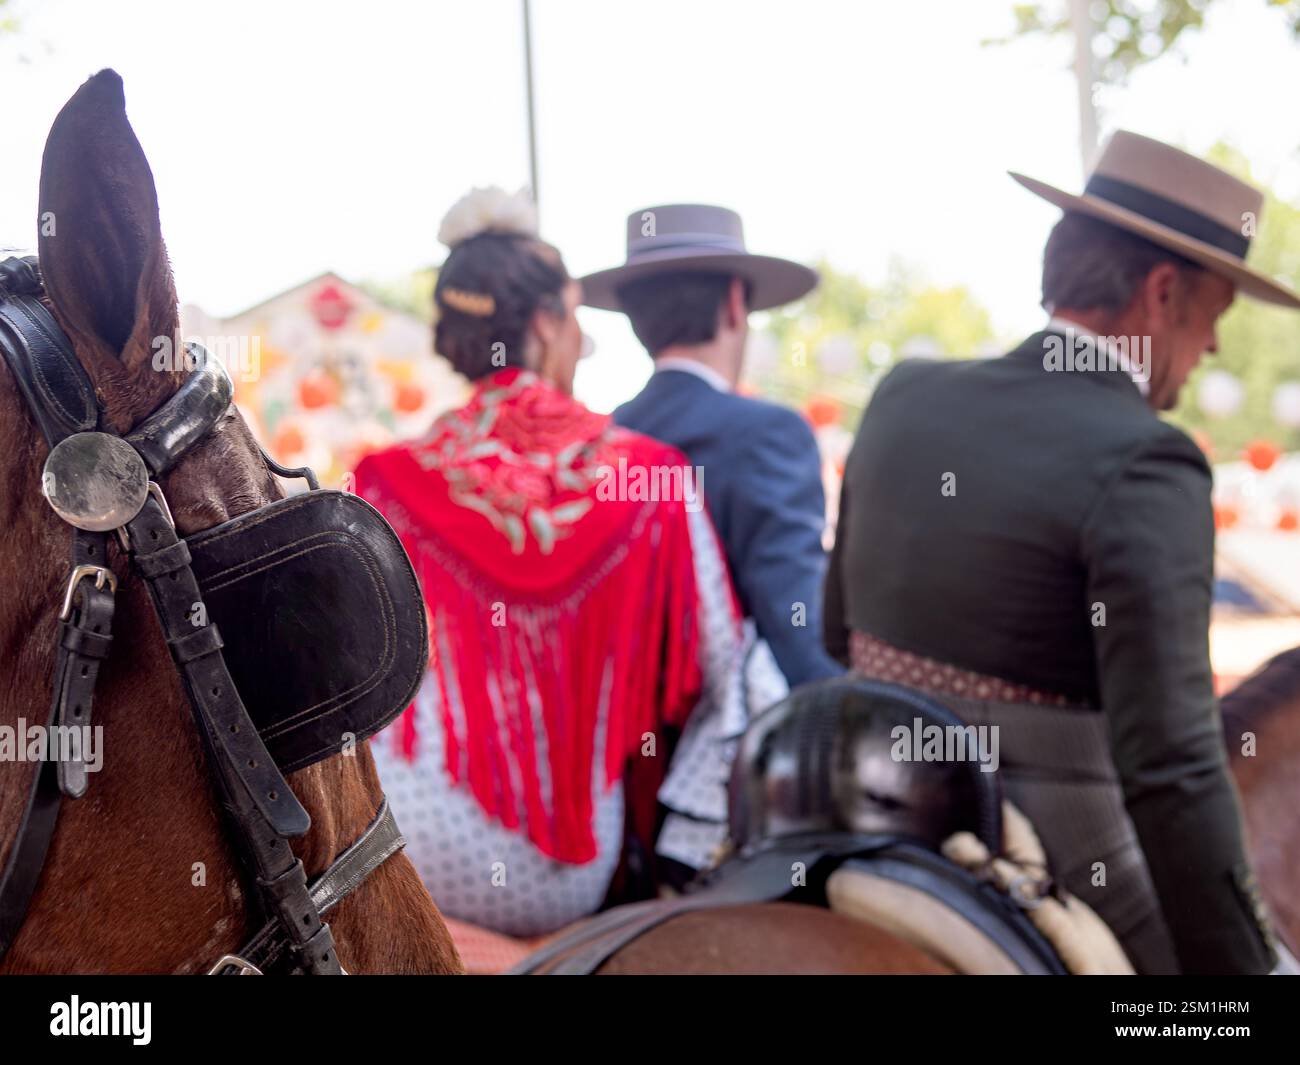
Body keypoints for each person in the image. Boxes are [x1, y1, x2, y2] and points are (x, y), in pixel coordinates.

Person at [825, 131, 1297, 974]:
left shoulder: (904, 394)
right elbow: (1172, 766)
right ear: (1162, 293)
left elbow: (836, 634)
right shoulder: (1148, 457)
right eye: (1216, 316)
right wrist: (1245, 973)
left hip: (847, 801)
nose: (1213, 350)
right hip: (1051, 839)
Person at [354, 189, 742, 937]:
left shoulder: (381, 481)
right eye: (575, 318)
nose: (587, 345)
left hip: (393, 851)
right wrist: (684, 854)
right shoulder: (649, 473)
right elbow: (722, 673)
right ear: (540, 323)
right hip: (562, 871)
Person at [582, 204, 842, 693]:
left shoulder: (599, 439)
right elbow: (796, 623)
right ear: (735, 303)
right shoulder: (770, 432)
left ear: (636, 320)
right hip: (735, 739)